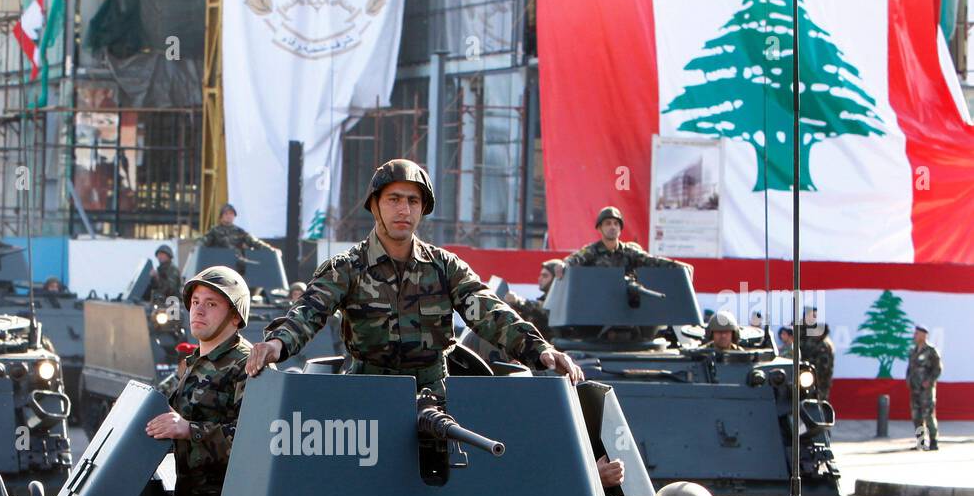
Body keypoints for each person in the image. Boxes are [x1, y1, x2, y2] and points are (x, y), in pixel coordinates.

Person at [246, 159, 583, 397]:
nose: (404, 210)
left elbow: (489, 311)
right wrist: (277, 344)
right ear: (375, 205)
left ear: (423, 209)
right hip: (363, 399)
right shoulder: (346, 268)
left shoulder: (444, 267)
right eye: (393, 199)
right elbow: (309, 312)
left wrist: (540, 350)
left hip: (434, 399)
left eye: (412, 201)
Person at [145, 265, 261, 496]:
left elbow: (256, 442)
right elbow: (178, 420)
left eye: (211, 304)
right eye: (195, 302)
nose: (198, 310)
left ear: (235, 316)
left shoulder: (249, 365)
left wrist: (189, 430)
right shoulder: (196, 363)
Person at [557, 206, 693, 279]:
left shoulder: (629, 252)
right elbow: (573, 259)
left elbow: (653, 261)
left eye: (616, 224)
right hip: (597, 305)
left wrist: (679, 267)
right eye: (608, 223)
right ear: (600, 228)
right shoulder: (592, 251)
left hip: (624, 308)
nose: (612, 227)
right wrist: (563, 265)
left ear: (620, 228)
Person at [906, 325, 942, 451]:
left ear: (923, 335)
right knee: (916, 416)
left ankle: (933, 442)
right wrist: (909, 381)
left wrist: (930, 381)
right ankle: (920, 442)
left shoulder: (931, 351)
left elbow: (938, 369)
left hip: (926, 390)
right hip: (914, 389)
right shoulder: (913, 351)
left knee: (928, 415)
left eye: (917, 334)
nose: (914, 336)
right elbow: (910, 368)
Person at [505, 258, 563, 335]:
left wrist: (518, 301)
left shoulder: (560, 301)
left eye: (545, 276)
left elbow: (544, 310)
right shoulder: (544, 299)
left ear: (556, 279)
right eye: (541, 275)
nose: (540, 279)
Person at [200, 203, 279, 254]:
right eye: (226, 213)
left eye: (231, 214)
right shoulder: (214, 231)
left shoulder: (240, 232)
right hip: (218, 263)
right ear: (221, 216)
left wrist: (271, 250)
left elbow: (254, 242)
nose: (229, 216)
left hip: (235, 265)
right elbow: (202, 244)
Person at [799, 305, 834, 399]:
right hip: (799, 380)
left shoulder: (820, 337)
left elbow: (823, 366)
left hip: (817, 381)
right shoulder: (799, 332)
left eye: (815, 315)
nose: (813, 318)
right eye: (811, 315)